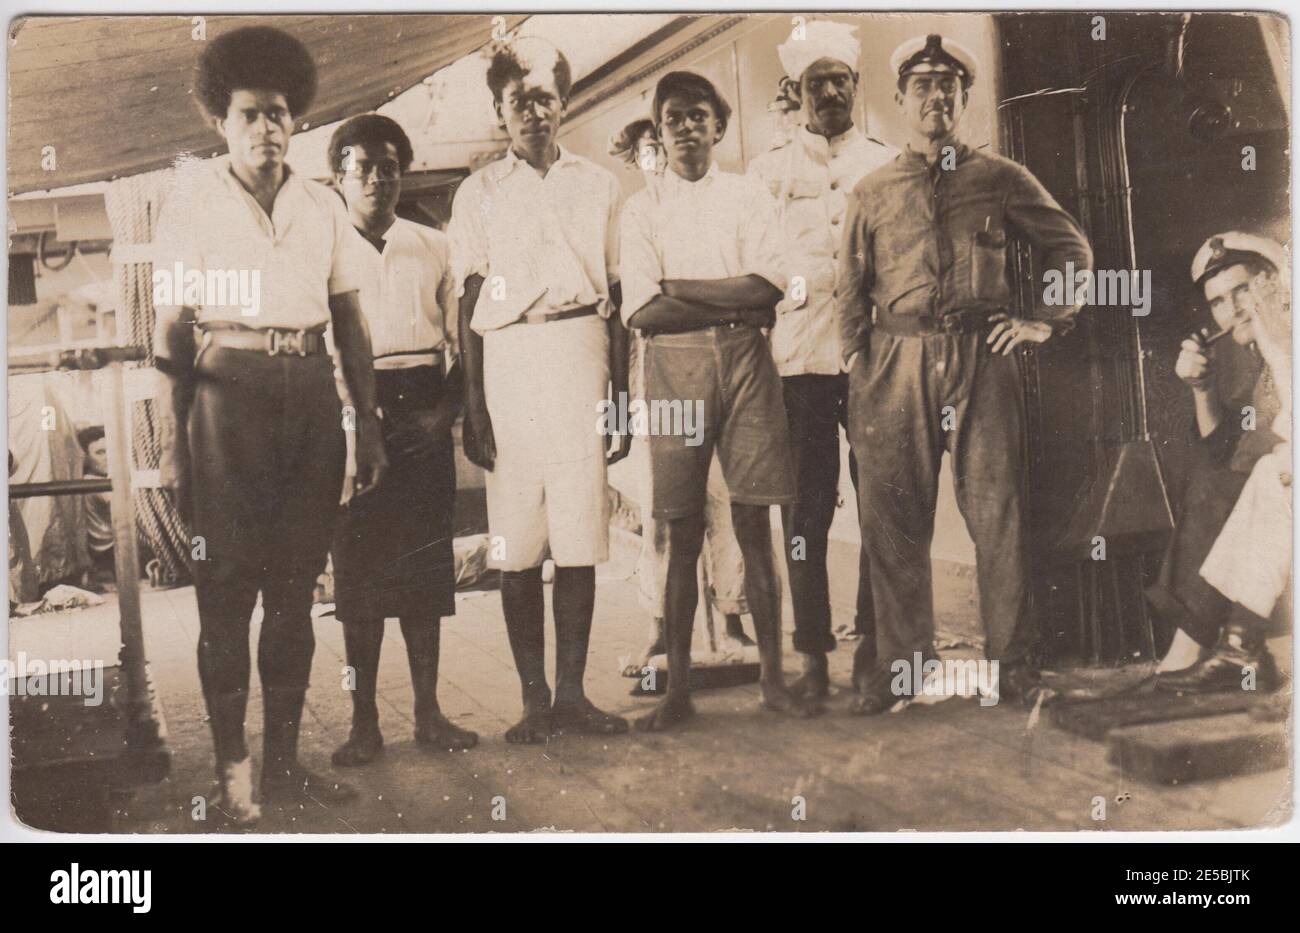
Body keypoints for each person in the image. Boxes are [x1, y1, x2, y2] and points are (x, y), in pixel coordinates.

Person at [154, 26, 385, 824]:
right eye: (249, 114)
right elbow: (170, 333)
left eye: (279, 113)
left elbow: (350, 320)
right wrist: (175, 446)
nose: (266, 128)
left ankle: (283, 768)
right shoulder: (191, 204)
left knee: (293, 591)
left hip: (311, 396)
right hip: (228, 397)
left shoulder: (322, 203)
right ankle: (233, 779)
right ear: (221, 121)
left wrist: (368, 422)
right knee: (225, 593)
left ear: (296, 119)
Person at [835, 34, 1093, 713]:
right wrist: (858, 360)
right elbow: (850, 286)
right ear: (900, 99)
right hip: (895, 362)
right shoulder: (871, 190)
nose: (935, 98)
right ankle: (903, 669)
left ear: (963, 97)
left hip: (981, 359)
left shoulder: (1000, 177)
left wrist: (1043, 320)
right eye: (921, 86)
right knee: (894, 520)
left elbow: (1070, 248)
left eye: (947, 86)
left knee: (999, 513)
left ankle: (1013, 666)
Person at [620, 70, 815, 730]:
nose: (685, 127)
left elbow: (769, 288)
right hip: (674, 366)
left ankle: (773, 680)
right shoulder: (642, 208)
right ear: (659, 130)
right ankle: (678, 691)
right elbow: (643, 311)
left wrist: (681, 287)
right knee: (681, 529)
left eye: (697, 115)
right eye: (672, 117)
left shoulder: (748, 193)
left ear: (719, 126)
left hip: (747, 364)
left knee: (755, 523)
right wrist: (732, 300)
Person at [449, 38, 631, 744]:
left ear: (564, 103)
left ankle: (573, 695)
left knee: (581, 533)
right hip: (510, 360)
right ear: (500, 111)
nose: (533, 112)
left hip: (582, 351)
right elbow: (469, 300)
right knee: (516, 542)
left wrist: (620, 395)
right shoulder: (478, 193)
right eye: (518, 101)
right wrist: (474, 404)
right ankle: (533, 701)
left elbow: (616, 295)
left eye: (544, 98)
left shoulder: (599, 184)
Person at [747, 20, 896, 701]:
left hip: (873, 357)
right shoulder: (767, 173)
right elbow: (758, 267)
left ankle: (873, 645)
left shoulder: (886, 164)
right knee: (805, 514)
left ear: (856, 85)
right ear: (796, 90)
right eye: (816, 82)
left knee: (881, 502)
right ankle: (811, 657)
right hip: (799, 359)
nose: (830, 92)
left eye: (840, 80)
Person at [325, 113, 478, 766]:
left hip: (422, 402)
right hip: (350, 410)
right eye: (362, 167)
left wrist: (445, 414)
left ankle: (428, 712)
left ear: (403, 173)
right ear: (338, 177)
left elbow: (465, 340)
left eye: (388, 167)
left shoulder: (435, 244)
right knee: (358, 577)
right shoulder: (323, 248)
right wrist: (352, 419)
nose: (376, 179)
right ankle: (363, 723)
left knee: (423, 570)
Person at [610, 117, 759, 674]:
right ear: (636, 161)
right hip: (658, 377)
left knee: (724, 497)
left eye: (659, 148)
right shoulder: (637, 218)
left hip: (722, 369)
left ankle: (733, 617)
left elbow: (748, 293)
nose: (656, 160)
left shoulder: (717, 208)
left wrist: (689, 300)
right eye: (645, 152)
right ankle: (660, 628)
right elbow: (637, 315)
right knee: (663, 510)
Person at [1149, 232, 1284, 685]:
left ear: (1272, 282)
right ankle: (1214, 650)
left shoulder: (1284, 344)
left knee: (1229, 485)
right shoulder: (1264, 359)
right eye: (1218, 302)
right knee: (1215, 479)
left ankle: (1189, 653)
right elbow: (1226, 453)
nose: (1234, 309)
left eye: (1242, 290)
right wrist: (1202, 389)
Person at [76, 425, 115, 584]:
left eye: (109, 451)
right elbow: (130, 508)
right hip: (109, 550)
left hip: (103, 549)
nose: (108, 457)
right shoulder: (93, 482)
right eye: (100, 452)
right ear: (86, 458)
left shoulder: (90, 480)